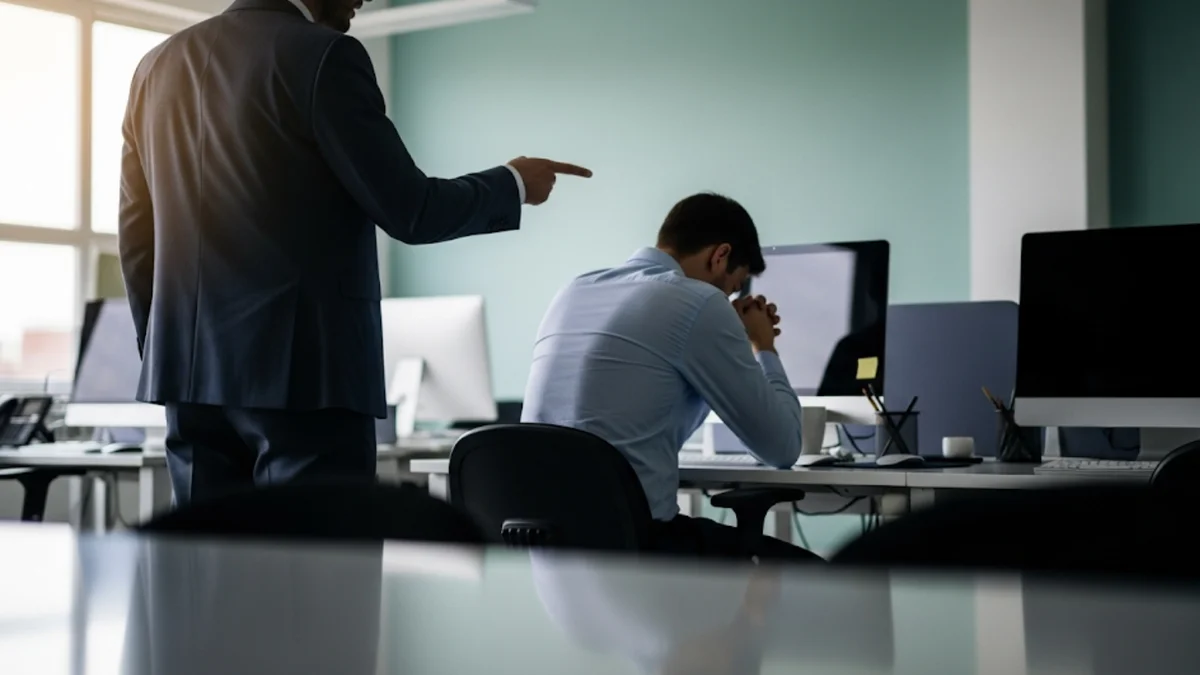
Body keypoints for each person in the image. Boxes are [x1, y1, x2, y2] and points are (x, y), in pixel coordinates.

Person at [118, 0, 591, 505]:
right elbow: (411, 210)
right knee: (322, 567)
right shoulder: (324, 56)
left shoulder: (155, 67)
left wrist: (163, 346)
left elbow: (136, 233)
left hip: (187, 378)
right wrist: (513, 183)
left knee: (203, 568)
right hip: (303, 377)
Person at [522, 193, 820, 561]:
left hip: (545, 549)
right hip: (636, 548)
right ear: (720, 256)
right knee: (833, 580)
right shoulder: (698, 301)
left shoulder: (574, 289)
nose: (729, 298)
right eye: (734, 286)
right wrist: (763, 346)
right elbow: (782, 448)